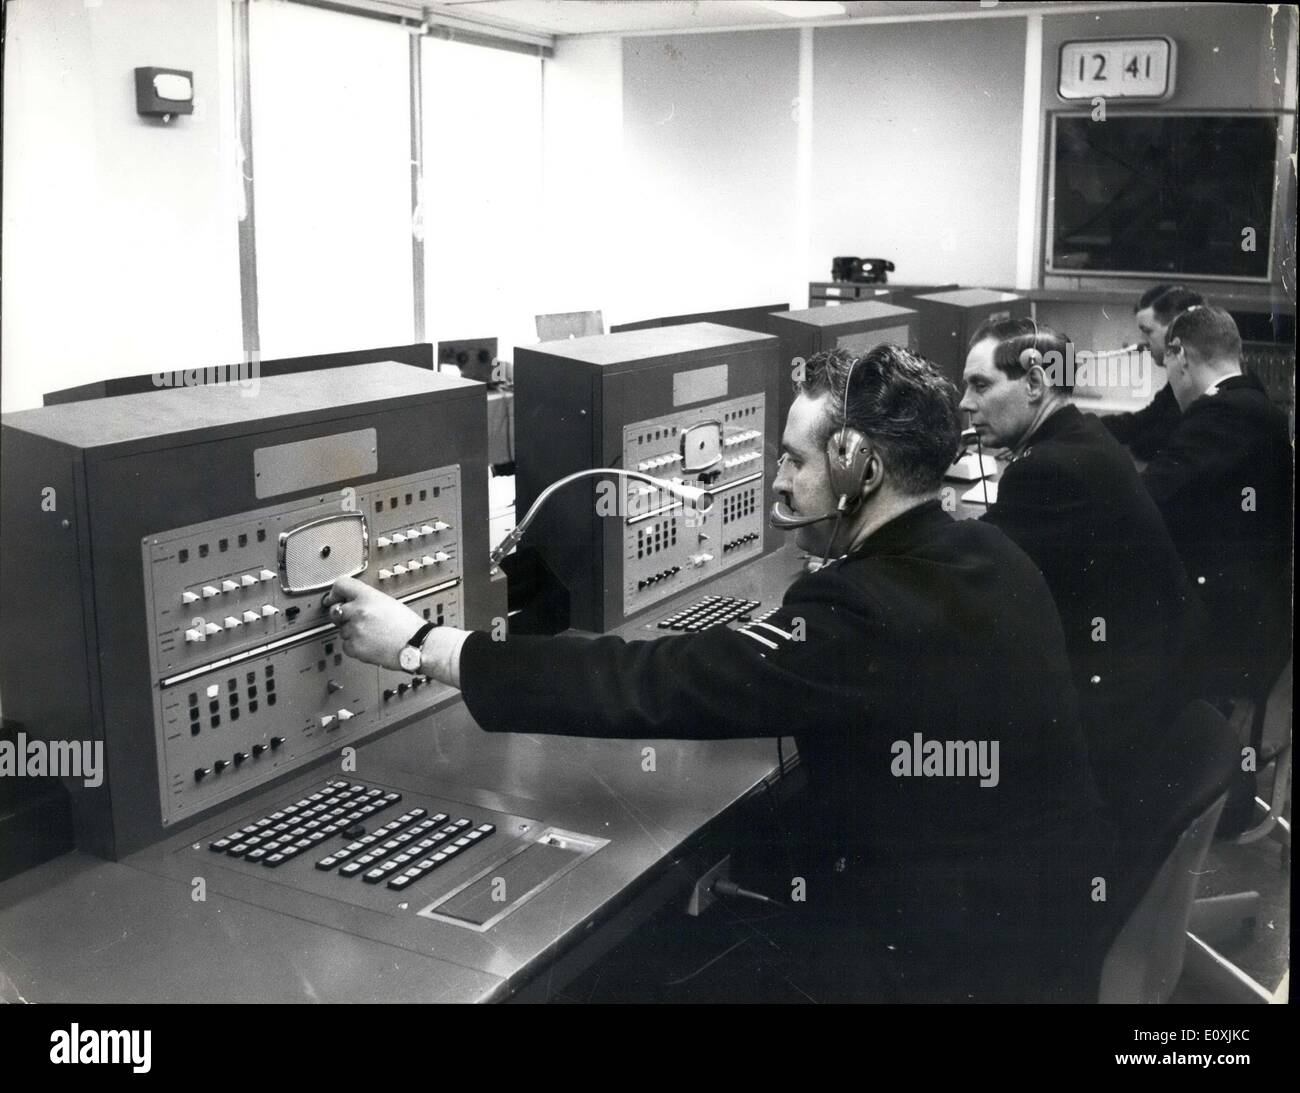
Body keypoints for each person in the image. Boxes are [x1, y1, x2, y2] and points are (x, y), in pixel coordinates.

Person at [327, 345, 1107, 1002]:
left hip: (946, 969)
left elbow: (659, 678)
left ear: (859, 464)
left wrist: (425, 643)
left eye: (795, 460)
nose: (774, 482)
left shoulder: (860, 608)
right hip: (1037, 931)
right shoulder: (989, 550)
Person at [959, 319, 1203, 810]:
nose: (965, 402)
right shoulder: (1081, 433)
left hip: (1117, 712)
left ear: (1034, 383)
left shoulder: (1046, 469)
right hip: (1157, 679)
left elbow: (975, 582)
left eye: (980, 385)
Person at [1143, 305, 1293, 705]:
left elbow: (1150, 497)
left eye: (1167, 365)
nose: (1170, 381)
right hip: (1245, 610)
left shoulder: (1221, 414)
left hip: (1219, 626)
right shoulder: (1253, 404)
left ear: (1180, 354)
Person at [1100, 285, 1203, 459]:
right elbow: (1140, 423)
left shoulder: (1198, 384)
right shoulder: (1181, 378)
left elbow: (1149, 444)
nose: (1142, 342)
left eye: (1147, 332)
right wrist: (1075, 424)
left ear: (1178, 328)